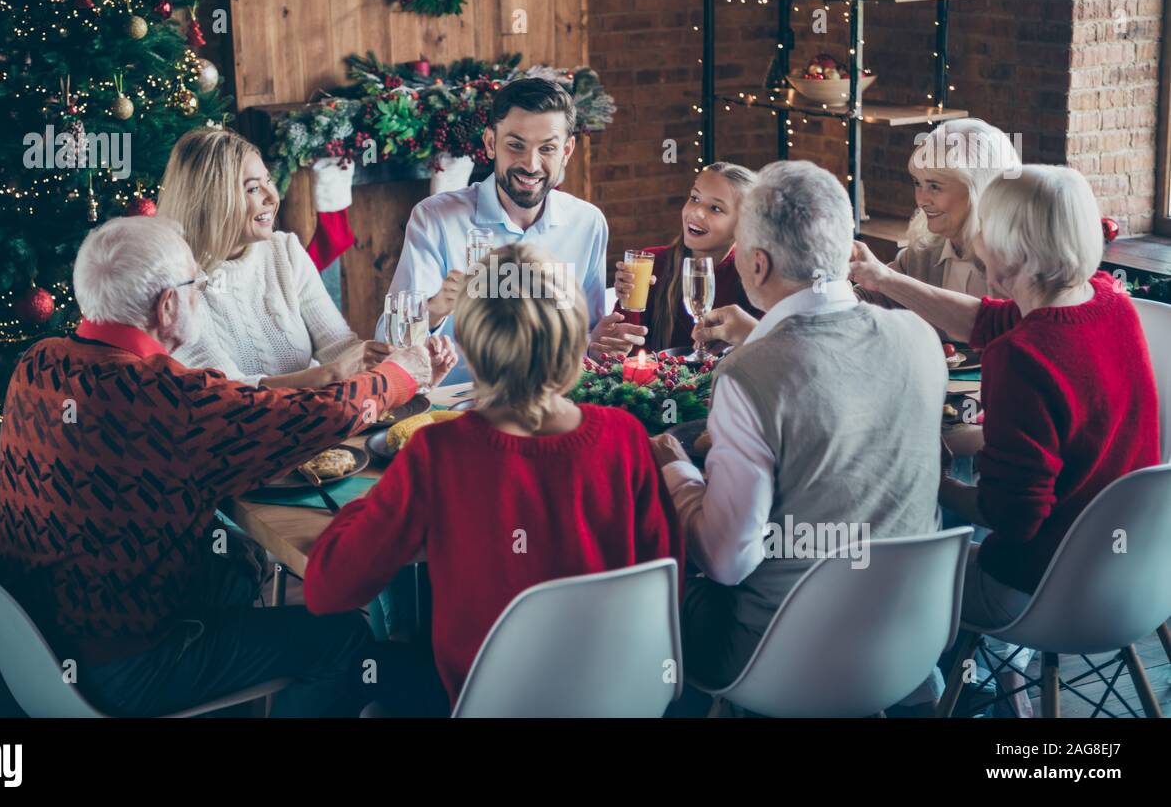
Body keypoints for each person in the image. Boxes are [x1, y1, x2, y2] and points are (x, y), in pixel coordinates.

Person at [0, 216, 457, 717]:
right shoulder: (166, 396)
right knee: (343, 638)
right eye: (197, 285)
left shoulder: (38, 360)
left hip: (35, 641)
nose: (201, 294)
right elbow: (311, 417)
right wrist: (399, 375)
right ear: (168, 305)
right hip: (122, 667)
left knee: (238, 566)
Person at [305, 244, 685, 713]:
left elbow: (328, 590)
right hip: (620, 697)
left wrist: (373, 501)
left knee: (362, 661)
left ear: (470, 343)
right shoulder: (625, 437)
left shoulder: (437, 454)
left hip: (484, 703)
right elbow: (668, 578)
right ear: (573, 340)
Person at [853, 165, 1160, 713]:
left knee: (877, 567)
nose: (976, 243)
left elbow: (1010, 517)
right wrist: (885, 280)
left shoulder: (1022, 358)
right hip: (1139, 579)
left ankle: (919, 702)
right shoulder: (1108, 301)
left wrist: (931, 476)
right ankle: (1006, 695)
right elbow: (993, 320)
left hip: (1044, 588)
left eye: (985, 229)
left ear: (1012, 247)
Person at [650, 161, 946, 694]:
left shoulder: (748, 373)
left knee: (649, 600)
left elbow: (724, 560)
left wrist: (674, 470)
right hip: (913, 639)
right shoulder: (918, 335)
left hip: (780, 654)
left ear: (756, 264)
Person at [378, 77, 633, 383]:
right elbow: (388, 342)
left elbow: (585, 337)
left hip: (554, 404)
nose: (531, 164)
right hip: (459, 409)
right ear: (490, 143)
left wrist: (599, 341)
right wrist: (435, 309)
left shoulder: (588, 222)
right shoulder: (435, 219)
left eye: (548, 148)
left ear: (566, 150)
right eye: (515, 145)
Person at [159, 126, 388, 389]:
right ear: (213, 199)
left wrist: (385, 362)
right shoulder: (178, 287)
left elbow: (339, 345)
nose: (272, 197)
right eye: (253, 189)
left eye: (268, 181)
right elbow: (227, 391)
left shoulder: (284, 251)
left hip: (317, 417)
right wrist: (329, 375)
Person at [854, 118, 1021, 311]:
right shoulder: (923, 253)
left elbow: (990, 324)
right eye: (918, 183)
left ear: (980, 190)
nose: (921, 200)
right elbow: (868, 297)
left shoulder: (1017, 268)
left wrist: (885, 278)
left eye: (935, 186)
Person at [605, 162, 761, 355]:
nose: (695, 212)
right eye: (694, 198)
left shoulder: (756, 278)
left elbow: (773, 360)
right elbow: (624, 355)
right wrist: (626, 304)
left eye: (715, 208)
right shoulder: (651, 263)